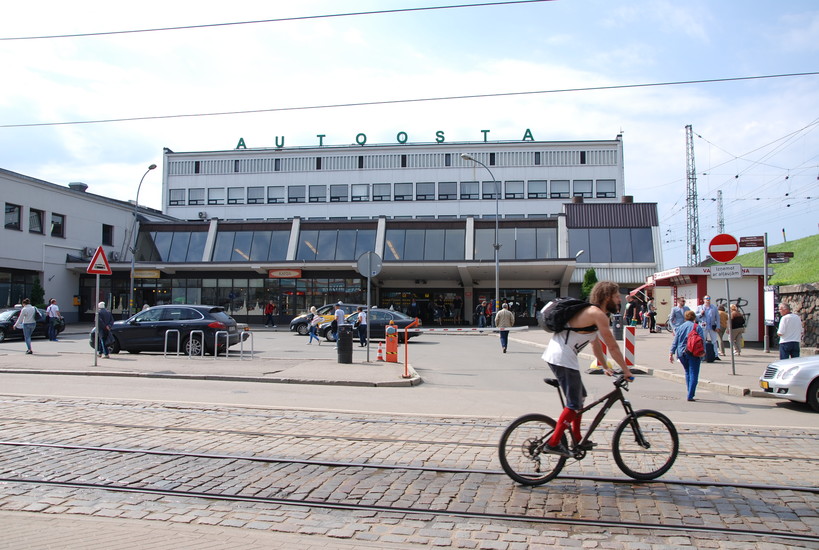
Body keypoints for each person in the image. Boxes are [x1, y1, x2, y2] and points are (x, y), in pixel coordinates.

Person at [542, 281, 634, 457]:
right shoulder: (597, 314)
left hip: (563, 357)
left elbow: (596, 344)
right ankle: (553, 443)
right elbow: (612, 346)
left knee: (580, 397)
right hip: (562, 358)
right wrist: (626, 370)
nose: (619, 301)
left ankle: (576, 438)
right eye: (616, 297)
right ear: (607, 297)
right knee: (574, 403)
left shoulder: (593, 314)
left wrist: (605, 366)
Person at [669, 310, 705, 402]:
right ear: (694, 318)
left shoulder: (680, 327)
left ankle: (689, 391)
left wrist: (671, 353)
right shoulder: (697, 327)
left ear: (685, 318)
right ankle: (690, 394)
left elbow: (675, 341)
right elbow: (702, 341)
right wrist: (703, 352)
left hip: (681, 353)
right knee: (694, 373)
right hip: (693, 352)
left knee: (687, 372)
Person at [695, 295, 721, 360]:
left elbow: (717, 318)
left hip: (712, 326)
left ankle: (715, 355)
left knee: (714, 341)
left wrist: (718, 326)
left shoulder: (713, 307)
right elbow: (695, 317)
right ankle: (704, 354)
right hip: (703, 326)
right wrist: (700, 314)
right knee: (703, 340)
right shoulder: (699, 307)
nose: (707, 300)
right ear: (703, 300)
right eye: (706, 299)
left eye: (709, 299)